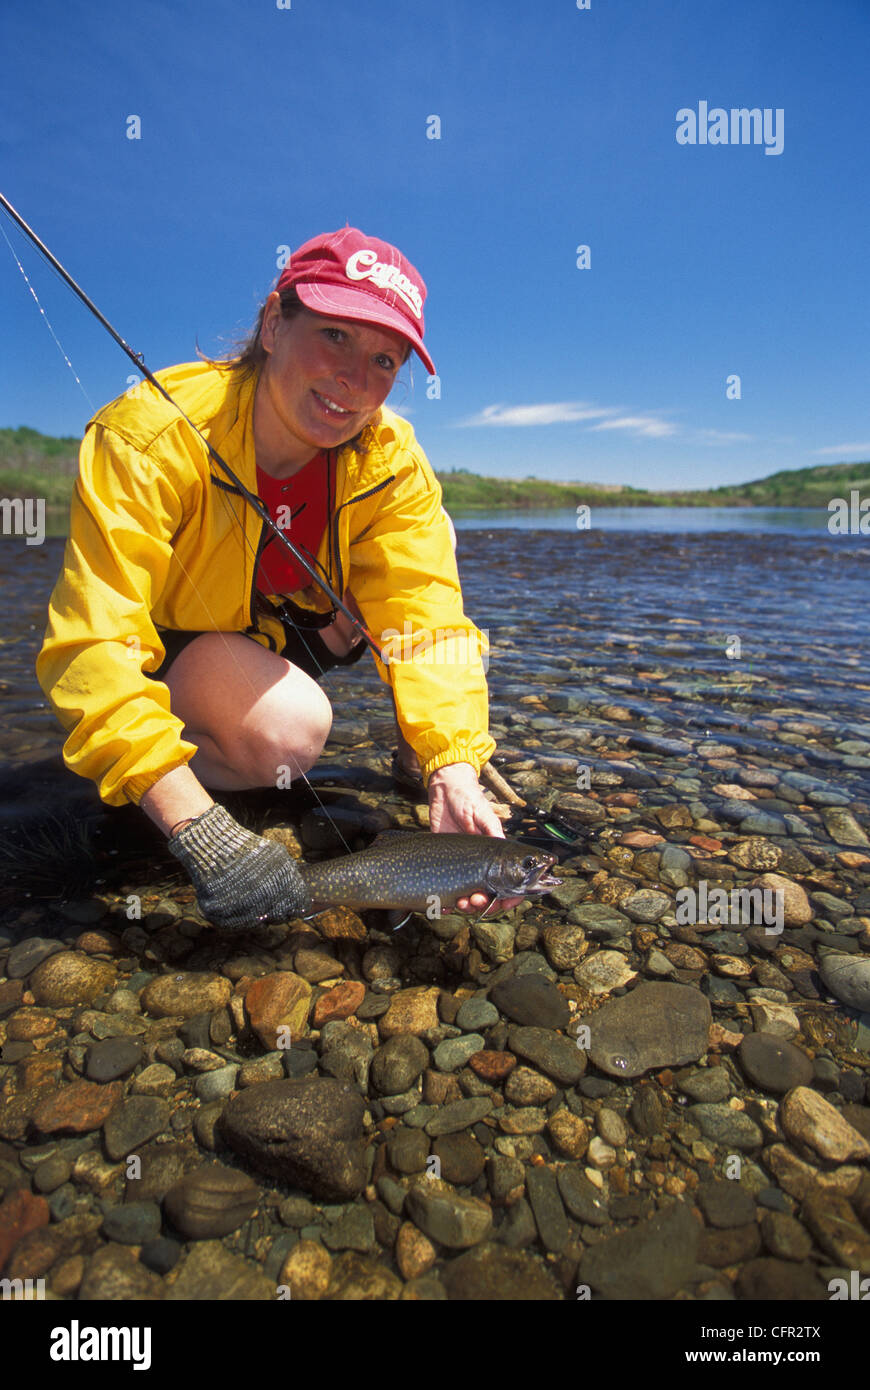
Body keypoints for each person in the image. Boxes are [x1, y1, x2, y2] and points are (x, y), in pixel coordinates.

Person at [37, 227, 520, 929]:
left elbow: (425, 615)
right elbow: (92, 647)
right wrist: (194, 825)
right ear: (272, 323)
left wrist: (453, 764)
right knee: (291, 733)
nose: (354, 380)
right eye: (333, 336)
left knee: (428, 550)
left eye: (383, 358)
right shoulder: (148, 433)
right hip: (179, 638)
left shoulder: (390, 458)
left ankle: (418, 750)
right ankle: (170, 770)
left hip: (281, 629)